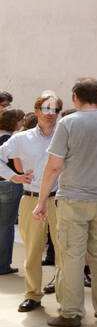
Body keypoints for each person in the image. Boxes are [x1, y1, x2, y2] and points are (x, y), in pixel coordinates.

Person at [32, 78, 97, 327]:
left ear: (75, 96)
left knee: (72, 255)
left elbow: (54, 166)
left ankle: (71, 312)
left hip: (73, 199)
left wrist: (41, 201)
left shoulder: (68, 123)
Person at [1, 97, 62, 303]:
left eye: (55, 109)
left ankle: (65, 298)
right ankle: (33, 295)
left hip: (60, 200)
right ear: (36, 111)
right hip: (31, 198)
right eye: (46, 108)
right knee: (32, 251)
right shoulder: (22, 138)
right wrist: (12, 176)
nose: (50, 113)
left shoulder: (65, 137)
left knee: (64, 252)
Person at [0, 108, 26, 275]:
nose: (23, 122)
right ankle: (2, 265)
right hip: (9, 184)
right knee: (6, 226)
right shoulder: (12, 141)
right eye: (21, 119)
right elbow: (19, 167)